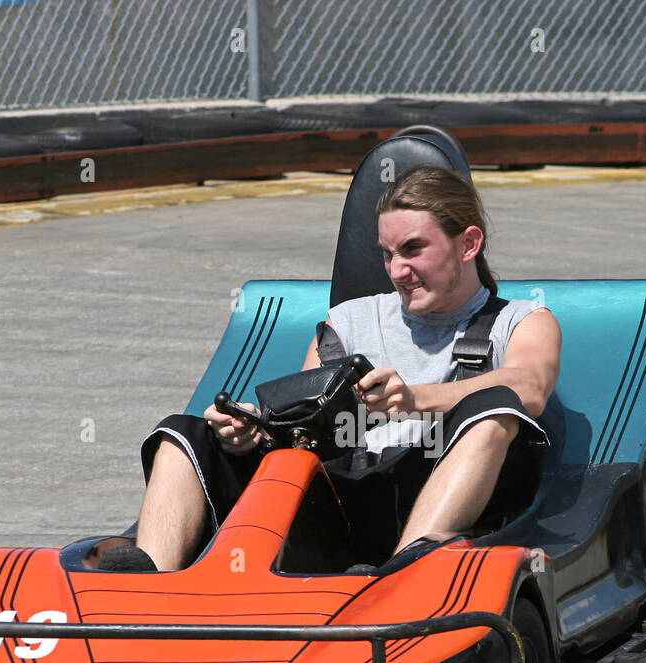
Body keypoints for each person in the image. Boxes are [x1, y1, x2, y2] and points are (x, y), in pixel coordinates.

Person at [100, 165, 561, 573]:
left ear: (468, 244)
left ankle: (407, 569)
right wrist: (250, 432)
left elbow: (531, 386)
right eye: (387, 253)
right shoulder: (348, 320)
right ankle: (148, 585)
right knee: (184, 432)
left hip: (444, 509)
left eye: (414, 250)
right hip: (341, 510)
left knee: (496, 406)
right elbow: (304, 425)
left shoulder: (522, 320)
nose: (398, 270)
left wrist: (415, 399)